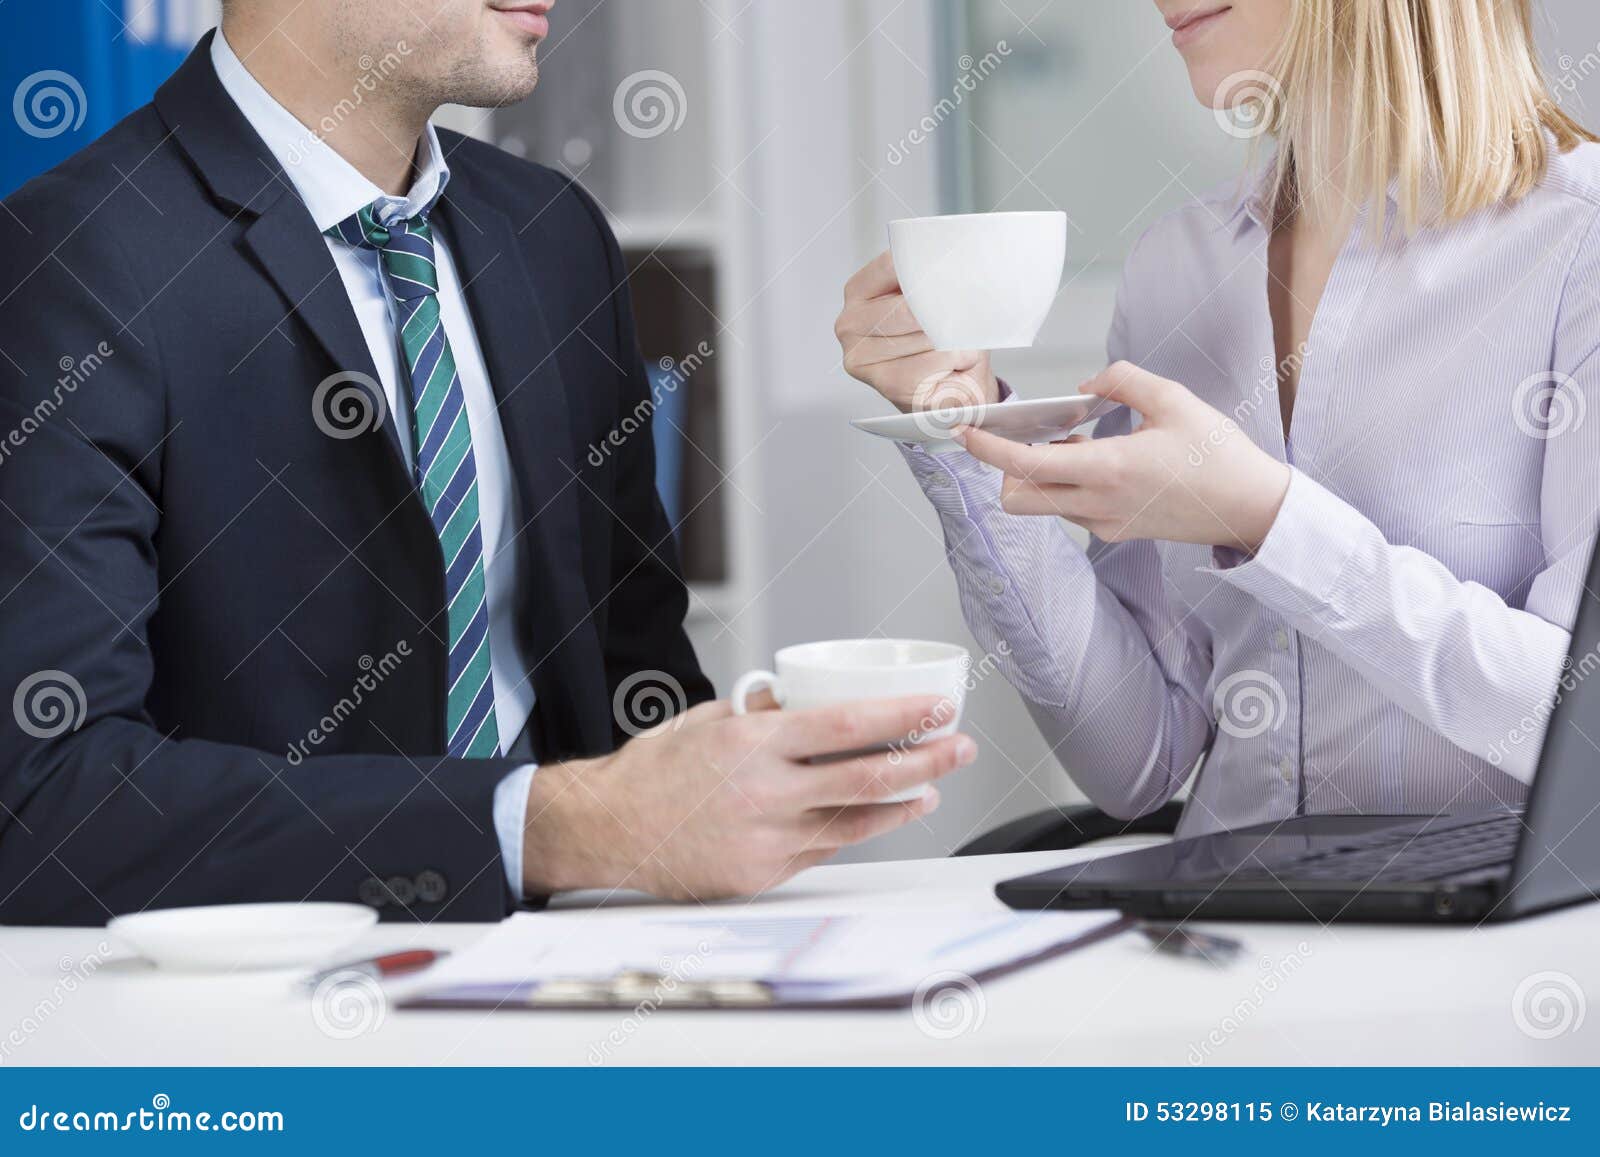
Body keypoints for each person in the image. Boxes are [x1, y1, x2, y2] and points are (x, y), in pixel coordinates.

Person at [0, 0, 974, 924]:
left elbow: (636, 671)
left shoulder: (549, 232)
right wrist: (555, 825)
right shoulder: (69, 257)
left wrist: (742, 789)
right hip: (269, 1012)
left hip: (588, 978)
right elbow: (44, 800)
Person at [836, 0, 1600, 836]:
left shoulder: (1578, 244)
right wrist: (960, 425)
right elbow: (1135, 761)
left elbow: (1580, 724)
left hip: (1490, 946)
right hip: (1215, 926)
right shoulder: (1176, 265)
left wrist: (1265, 518)